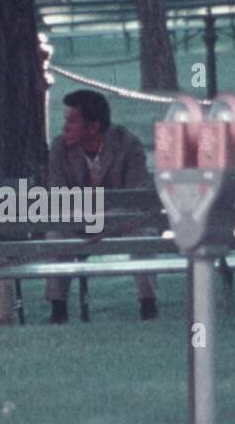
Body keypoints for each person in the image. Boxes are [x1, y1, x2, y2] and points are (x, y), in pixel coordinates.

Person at [45, 90, 158, 323]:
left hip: (120, 222)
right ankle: (58, 310)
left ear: (93, 127)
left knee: (142, 234)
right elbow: (58, 197)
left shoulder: (128, 145)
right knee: (57, 232)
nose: (65, 127)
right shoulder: (59, 148)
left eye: (71, 121)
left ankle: (148, 305)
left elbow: (135, 198)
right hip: (77, 221)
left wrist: (100, 216)